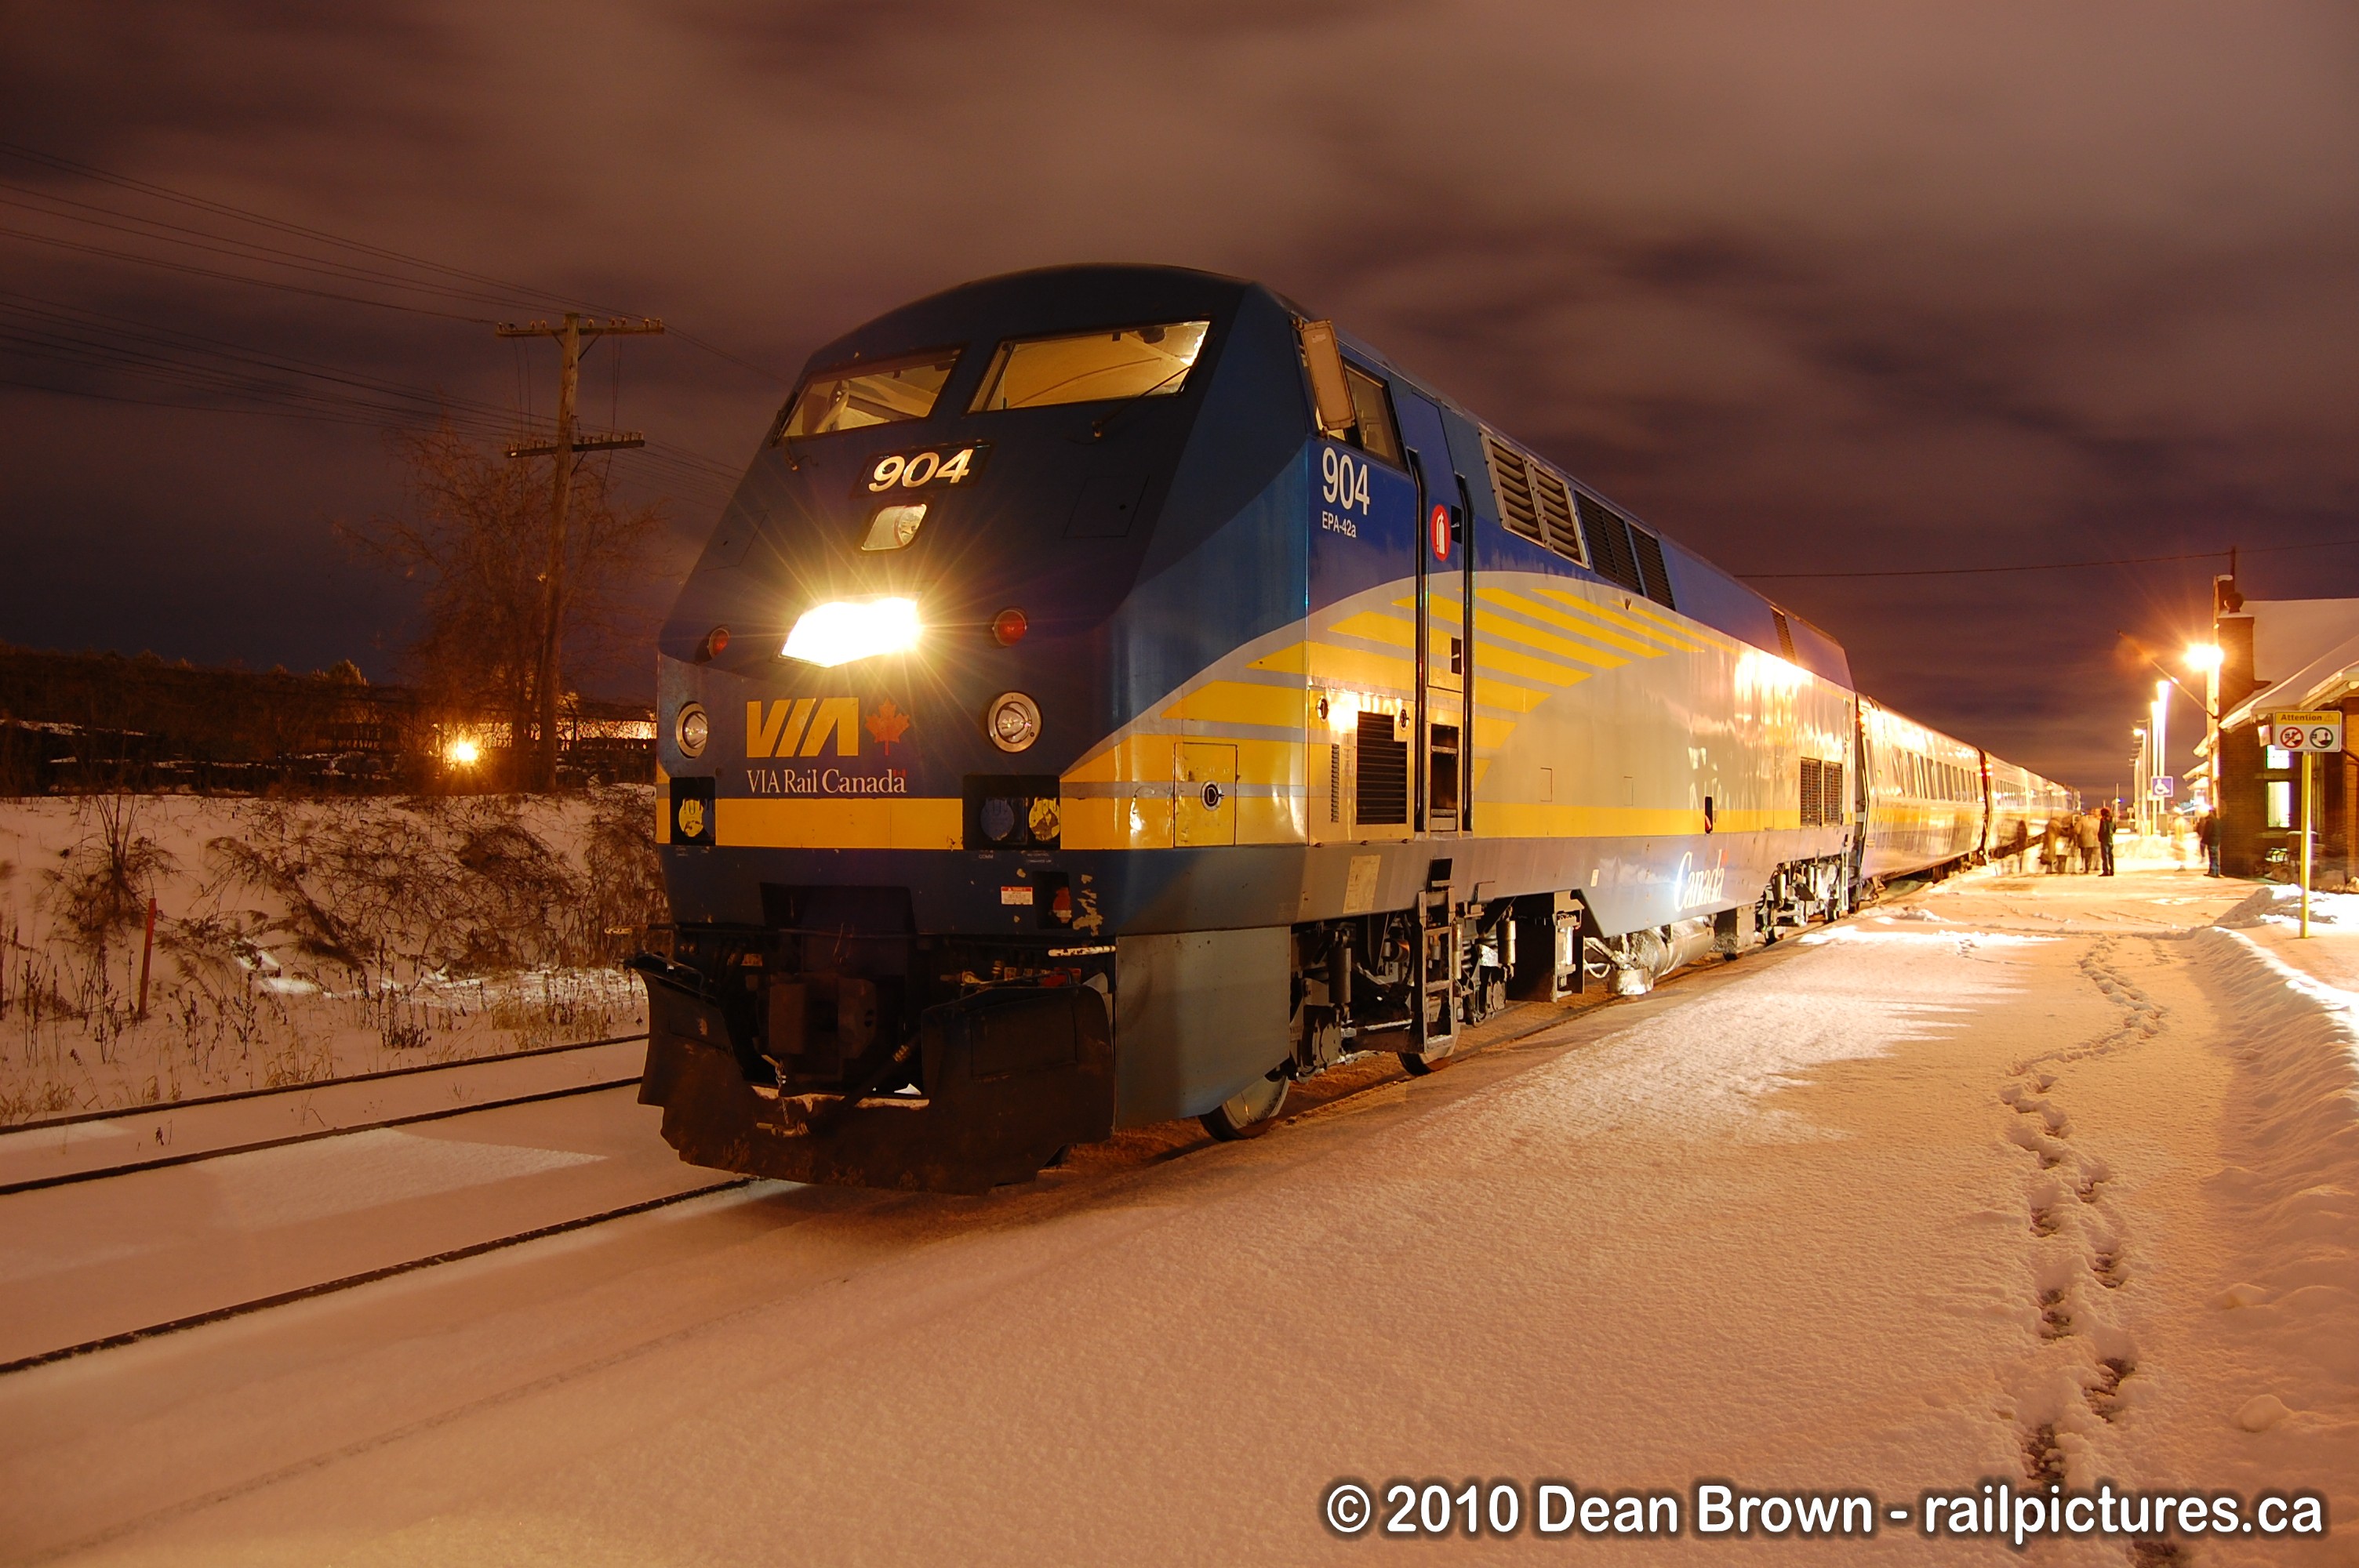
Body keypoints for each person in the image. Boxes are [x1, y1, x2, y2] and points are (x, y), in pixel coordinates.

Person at [2196, 809, 2220, 877]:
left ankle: (2213, 872)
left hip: (2211, 841)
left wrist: (2204, 841)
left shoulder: (2210, 822)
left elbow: (2207, 833)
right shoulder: (2218, 821)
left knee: (2212, 857)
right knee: (2216, 857)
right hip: (2216, 841)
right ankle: (2217, 871)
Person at [2076, 809, 2100, 874]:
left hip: (2083, 841)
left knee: (2084, 854)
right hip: (2093, 841)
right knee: (2090, 855)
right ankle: (2090, 867)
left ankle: (2084, 867)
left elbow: (2077, 831)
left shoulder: (2082, 821)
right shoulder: (2097, 822)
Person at [2097, 804, 2116, 876]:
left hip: (2104, 840)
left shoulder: (2103, 820)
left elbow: (2103, 830)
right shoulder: (2112, 820)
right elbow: (2114, 829)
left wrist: (2100, 837)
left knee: (2105, 856)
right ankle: (2112, 870)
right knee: (2111, 856)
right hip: (2110, 840)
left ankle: (2106, 871)